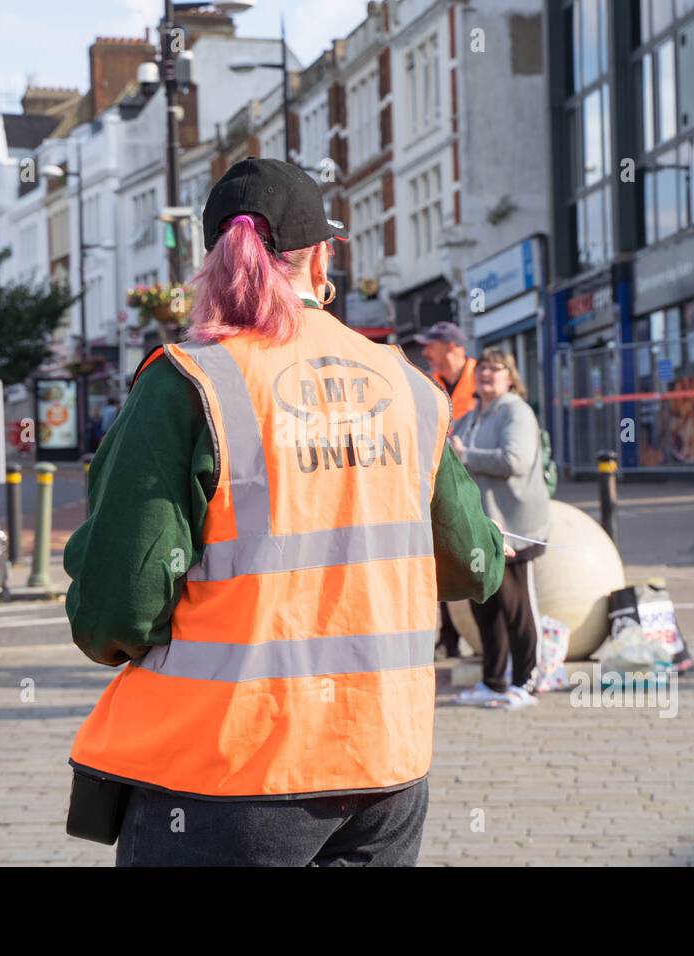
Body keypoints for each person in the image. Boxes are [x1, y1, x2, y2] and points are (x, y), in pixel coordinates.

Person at [63, 157, 509, 867]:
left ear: (212, 260)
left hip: (226, 770)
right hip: (383, 766)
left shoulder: (191, 380)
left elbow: (116, 604)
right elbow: (472, 564)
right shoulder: (410, 386)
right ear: (323, 256)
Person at [449, 348, 552, 709]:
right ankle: (493, 682)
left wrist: (466, 455)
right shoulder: (471, 414)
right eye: (483, 369)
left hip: (517, 526)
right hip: (483, 528)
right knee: (485, 606)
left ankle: (527, 681)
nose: (487, 375)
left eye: (496, 369)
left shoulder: (515, 411)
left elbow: (516, 460)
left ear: (511, 377)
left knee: (517, 607)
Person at [418, 321, 479, 659]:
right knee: (443, 556)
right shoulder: (432, 382)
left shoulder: (479, 378)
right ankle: (451, 636)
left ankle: (480, 635)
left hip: (477, 481)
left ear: (453, 347)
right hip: (443, 478)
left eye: (432, 345)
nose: (427, 352)